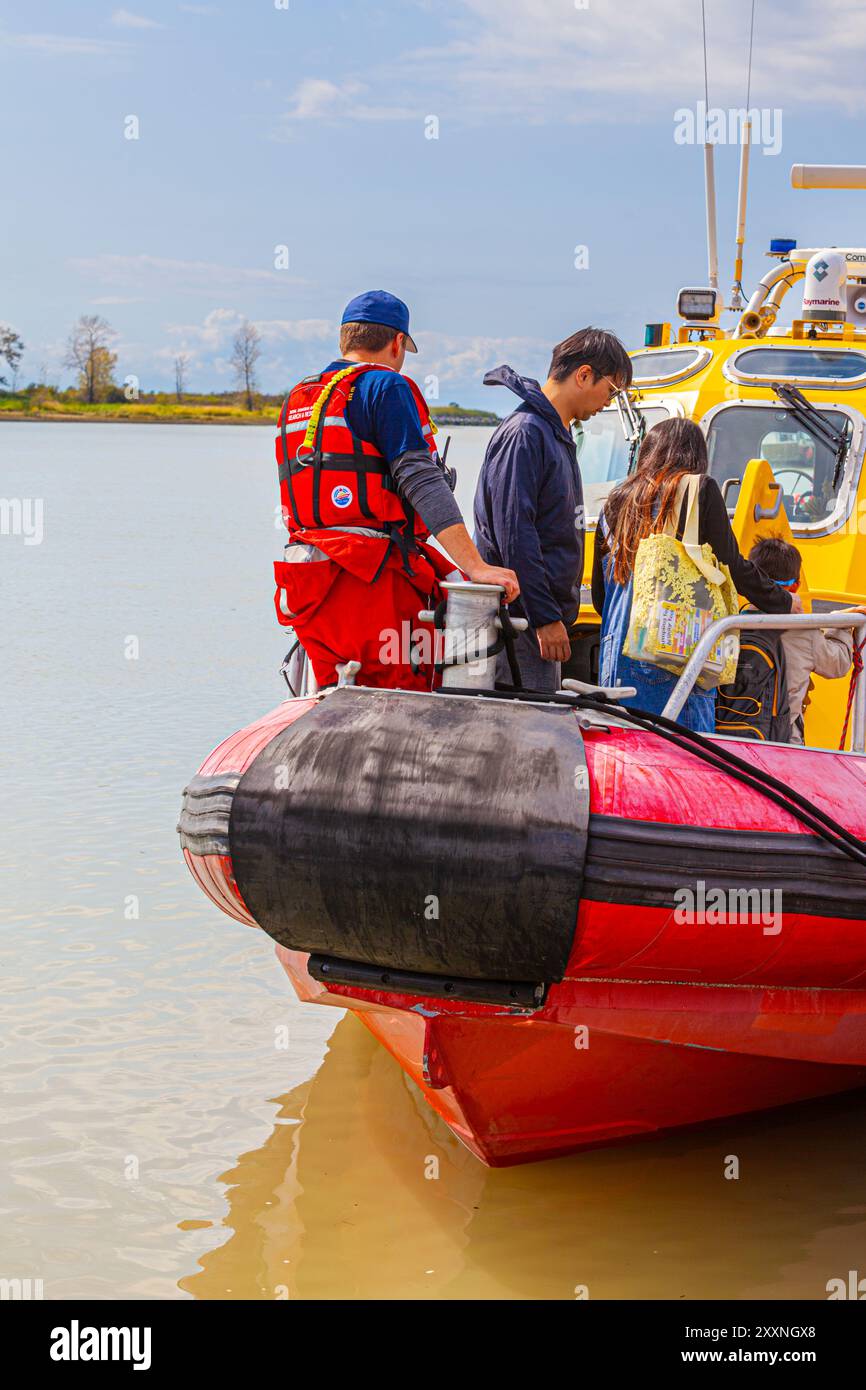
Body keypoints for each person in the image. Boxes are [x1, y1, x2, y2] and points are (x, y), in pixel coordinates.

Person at [273, 290, 518, 690]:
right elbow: (420, 479)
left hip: (307, 581)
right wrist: (475, 566)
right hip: (371, 581)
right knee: (400, 691)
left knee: (334, 694)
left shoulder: (298, 398)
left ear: (344, 340)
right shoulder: (386, 387)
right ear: (397, 343)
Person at [592, 418, 800, 731]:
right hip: (671, 657)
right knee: (685, 762)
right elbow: (732, 565)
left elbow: (600, 596)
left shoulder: (615, 501)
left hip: (615, 659)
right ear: (696, 456)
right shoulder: (697, 488)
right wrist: (784, 602)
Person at [473, 328, 633, 693]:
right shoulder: (526, 434)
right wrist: (543, 617)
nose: (608, 402)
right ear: (583, 375)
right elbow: (516, 534)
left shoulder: (555, 435)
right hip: (519, 624)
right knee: (523, 733)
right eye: (610, 390)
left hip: (534, 620)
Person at [747, 537, 861, 744]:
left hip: (729, 731)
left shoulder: (733, 622)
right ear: (795, 586)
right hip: (782, 736)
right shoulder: (802, 631)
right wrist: (841, 625)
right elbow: (837, 664)